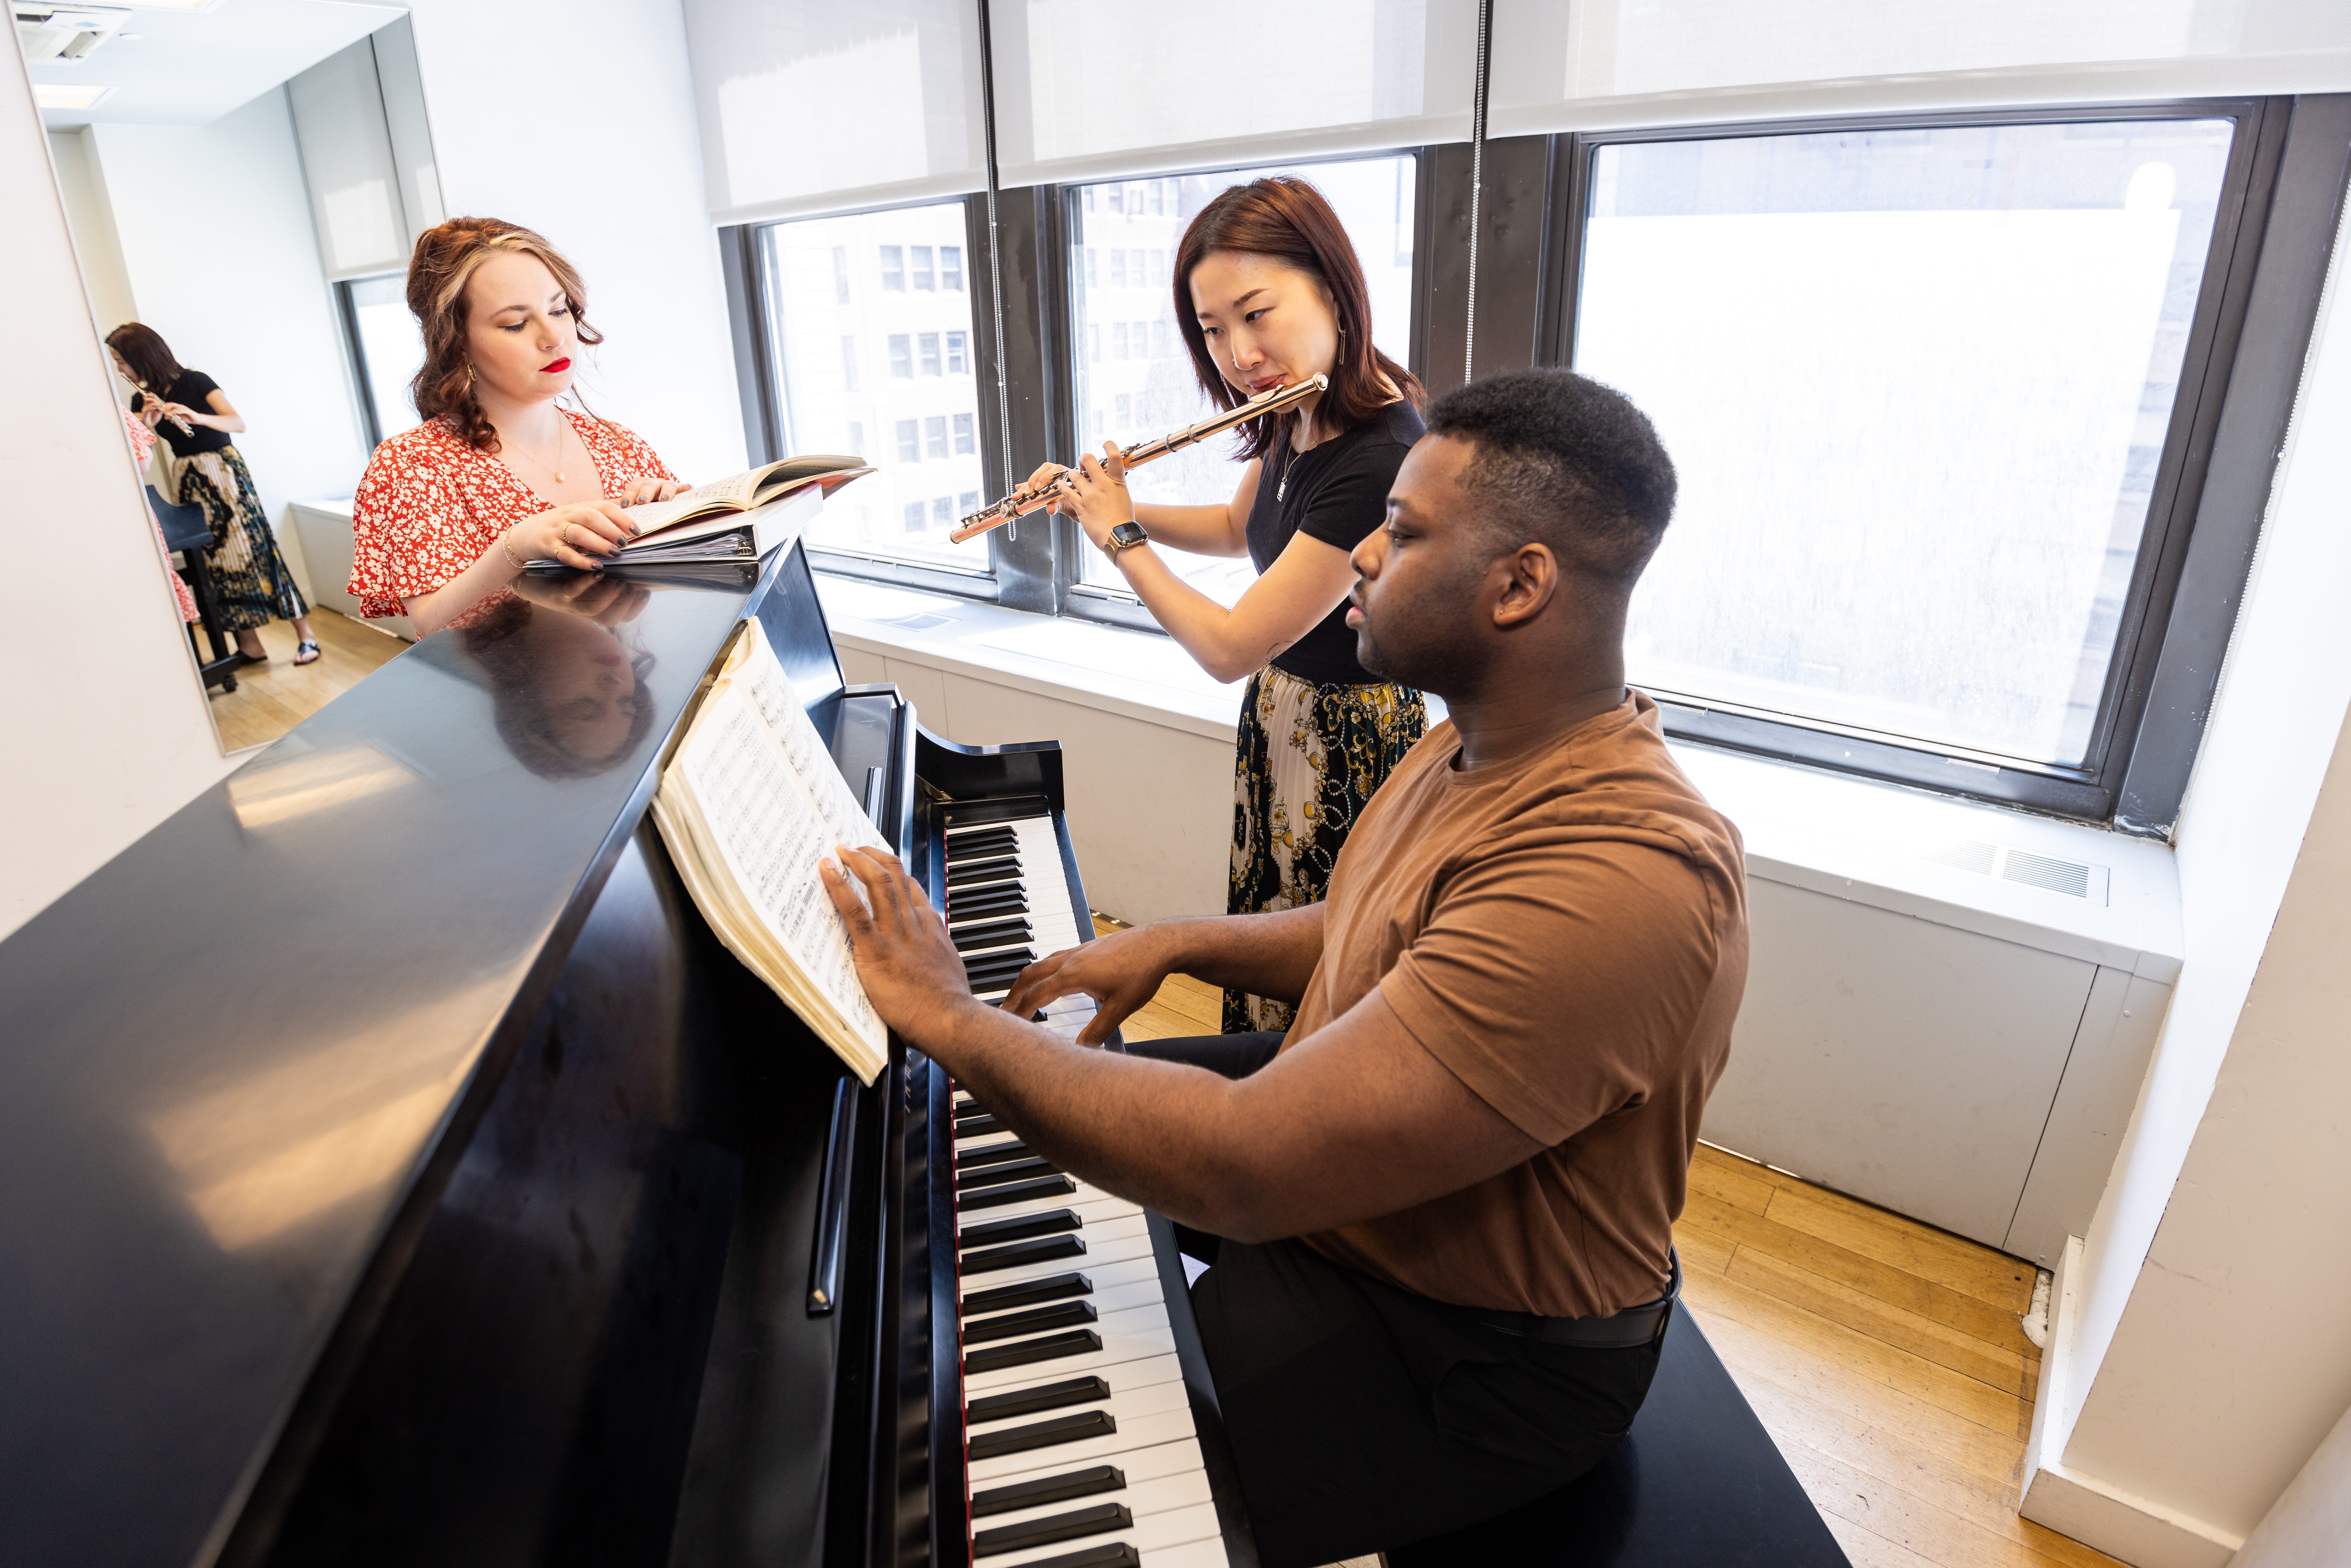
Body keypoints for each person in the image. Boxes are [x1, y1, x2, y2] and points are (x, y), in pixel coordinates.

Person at [822, 369, 1748, 1566]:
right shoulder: (1479, 736)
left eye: (1403, 531)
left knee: (1032, 1499)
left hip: (1470, 1345)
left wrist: (946, 1014)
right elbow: (1370, 919)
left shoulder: (1617, 876)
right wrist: (1176, 939)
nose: (1359, 553)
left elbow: (1247, 1168)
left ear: (1520, 584)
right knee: (1006, 1123)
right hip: (1369, 1211)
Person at [1031, 177, 1429, 1033]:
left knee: (1320, 987)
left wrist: (1120, 539)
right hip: (1286, 722)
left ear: (1331, 287)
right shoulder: (1297, 409)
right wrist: (1094, 497)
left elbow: (1229, 647)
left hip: (1345, 747)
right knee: (1265, 939)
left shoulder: (1379, 458)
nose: (1239, 354)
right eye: (1213, 330)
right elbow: (1233, 526)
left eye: (1256, 314)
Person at [348, 217, 690, 638]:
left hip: (640, 686)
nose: (554, 337)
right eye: (515, 324)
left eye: (559, 310)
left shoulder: (618, 443)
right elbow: (431, 626)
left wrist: (672, 515)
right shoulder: (413, 465)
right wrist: (515, 547)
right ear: (457, 342)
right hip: (519, 697)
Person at [107, 323, 320, 665]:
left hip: (224, 472)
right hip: (189, 477)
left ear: (140, 356)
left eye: (122, 361)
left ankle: (306, 637)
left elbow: (237, 423)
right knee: (215, 562)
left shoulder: (196, 381)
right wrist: (144, 422)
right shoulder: (141, 399)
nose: (120, 370)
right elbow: (135, 448)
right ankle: (251, 646)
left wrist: (198, 418)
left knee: (257, 550)